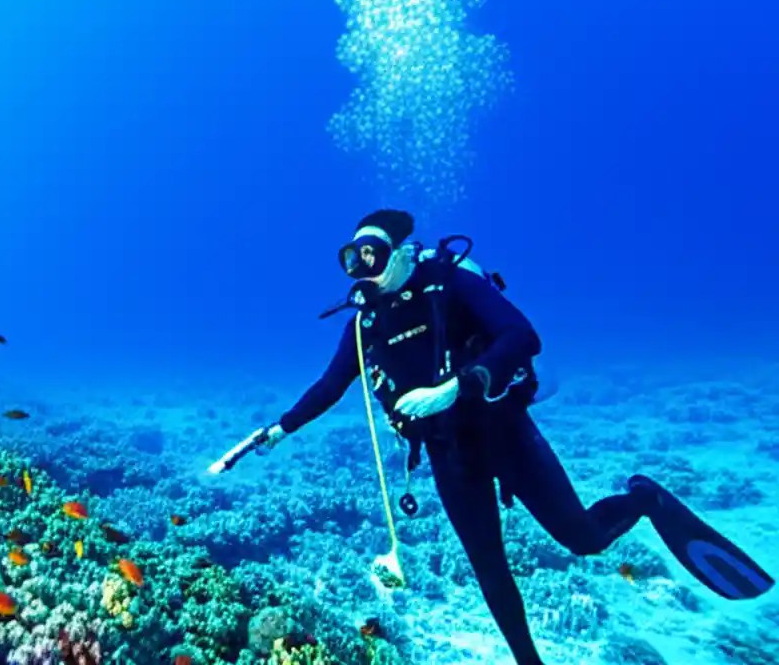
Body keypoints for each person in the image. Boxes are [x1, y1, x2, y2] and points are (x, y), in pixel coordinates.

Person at [210, 208, 773, 664]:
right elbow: (330, 386)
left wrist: (458, 385)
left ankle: (644, 499)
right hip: (449, 454)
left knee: (581, 539)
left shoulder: (450, 286)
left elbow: (522, 336)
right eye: (352, 258)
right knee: (487, 564)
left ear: (404, 252)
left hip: (503, 429)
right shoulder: (365, 324)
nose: (363, 268)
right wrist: (275, 431)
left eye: (373, 254)